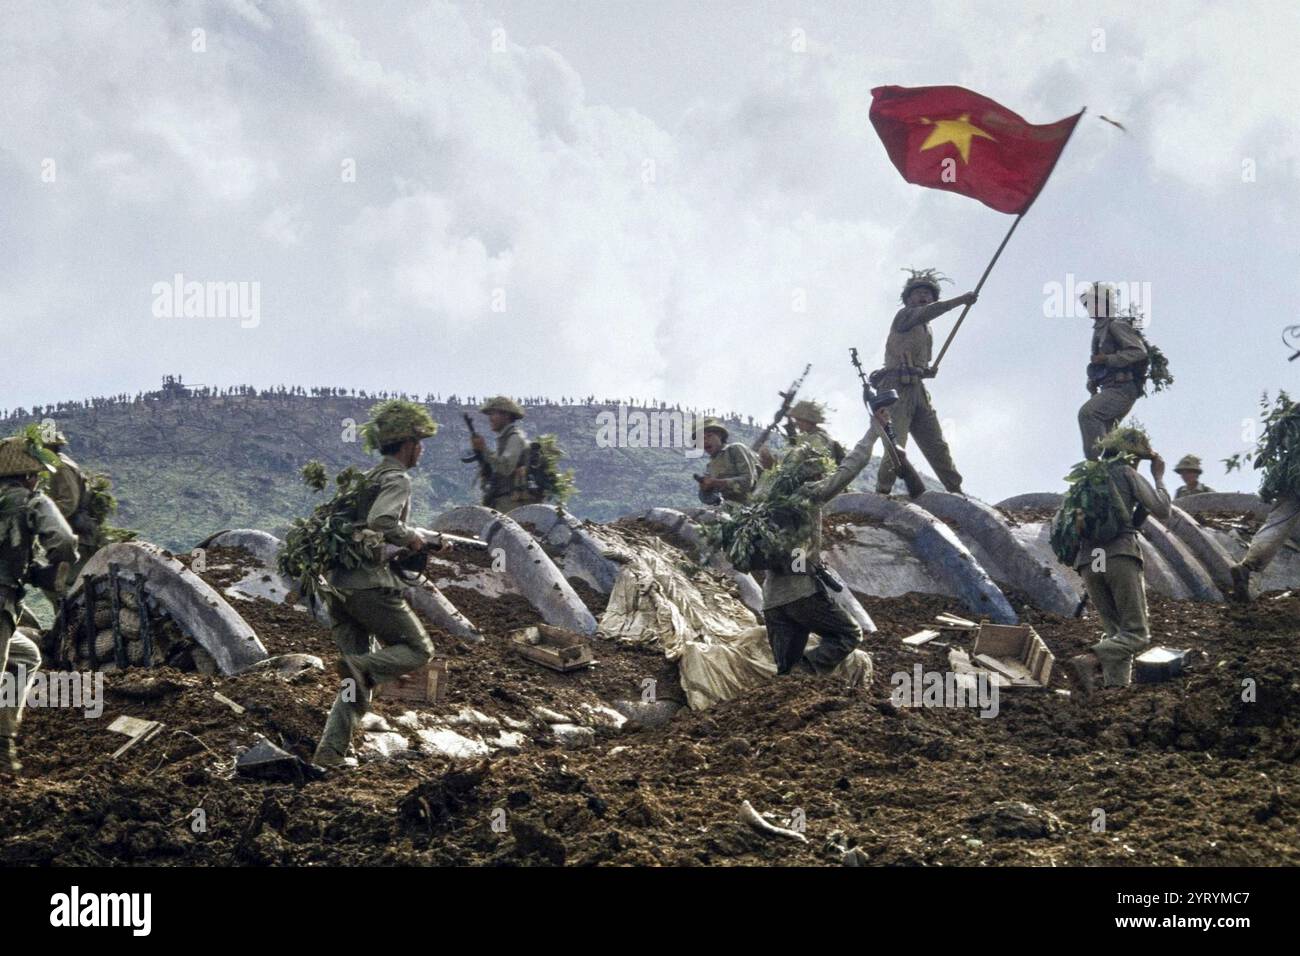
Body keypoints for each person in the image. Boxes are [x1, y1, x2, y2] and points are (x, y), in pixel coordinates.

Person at [313, 400, 440, 769]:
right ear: (408, 445)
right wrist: (411, 537)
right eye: (419, 442)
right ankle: (361, 665)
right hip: (369, 587)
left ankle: (330, 752)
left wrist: (401, 549)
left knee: (356, 682)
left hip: (339, 587)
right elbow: (383, 520)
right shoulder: (397, 478)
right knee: (419, 649)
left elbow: (362, 533)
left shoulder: (366, 480)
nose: (422, 449)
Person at [1068, 427, 1170, 693]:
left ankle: (1115, 691)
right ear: (1131, 455)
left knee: (1116, 634)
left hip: (1091, 562)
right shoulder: (1126, 472)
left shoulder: (1087, 479)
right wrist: (1158, 478)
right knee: (1137, 634)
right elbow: (1163, 510)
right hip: (1118, 556)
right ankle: (1090, 659)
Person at [0, 435, 79, 775]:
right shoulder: (30, 500)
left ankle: (3, 743)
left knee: (25, 656)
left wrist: (30, 571)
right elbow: (62, 540)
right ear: (30, 475)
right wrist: (57, 568)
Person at [873, 269, 972, 496]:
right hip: (895, 388)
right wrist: (961, 300)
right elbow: (930, 312)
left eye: (928, 294)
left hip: (917, 389)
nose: (923, 297)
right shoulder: (904, 317)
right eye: (918, 293)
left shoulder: (926, 331)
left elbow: (920, 363)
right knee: (895, 442)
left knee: (936, 444)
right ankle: (881, 493)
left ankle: (956, 492)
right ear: (908, 299)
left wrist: (926, 371)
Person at [1078, 283, 1148, 460]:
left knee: (1088, 414)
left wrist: (1108, 359)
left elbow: (1139, 352)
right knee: (1110, 443)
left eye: (1093, 303)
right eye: (1087, 305)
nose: (1089, 308)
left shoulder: (1115, 325)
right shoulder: (1099, 331)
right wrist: (1093, 381)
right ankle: (1107, 470)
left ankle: (1093, 465)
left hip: (1122, 388)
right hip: (1109, 388)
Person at [472, 396, 531, 512]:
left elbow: (505, 467)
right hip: (502, 500)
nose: (490, 419)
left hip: (511, 503)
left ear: (506, 416)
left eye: (493, 414)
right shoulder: (505, 439)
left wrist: (484, 449)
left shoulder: (515, 438)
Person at [758, 399, 845, 470]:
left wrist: (773, 465)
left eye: (798, 420)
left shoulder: (817, 439)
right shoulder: (815, 436)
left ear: (807, 421)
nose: (797, 423)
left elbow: (801, 467)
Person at [695, 419, 757, 505]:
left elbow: (748, 481)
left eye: (709, 436)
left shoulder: (735, 449)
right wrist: (705, 489)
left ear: (719, 435)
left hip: (756, 504)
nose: (705, 442)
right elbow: (711, 500)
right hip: (735, 510)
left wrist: (716, 482)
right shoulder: (710, 466)